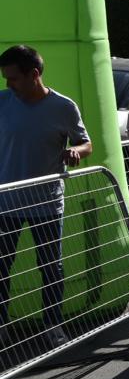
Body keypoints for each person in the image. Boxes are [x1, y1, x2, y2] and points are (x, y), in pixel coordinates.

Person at [0, 44, 92, 348]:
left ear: (34, 74)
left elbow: (85, 142)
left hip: (47, 203)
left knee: (51, 267)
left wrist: (76, 151)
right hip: (7, 203)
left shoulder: (64, 107)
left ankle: (53, 326)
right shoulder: (3, 101)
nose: (8, 85)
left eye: (13, 79)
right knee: (1, 268)